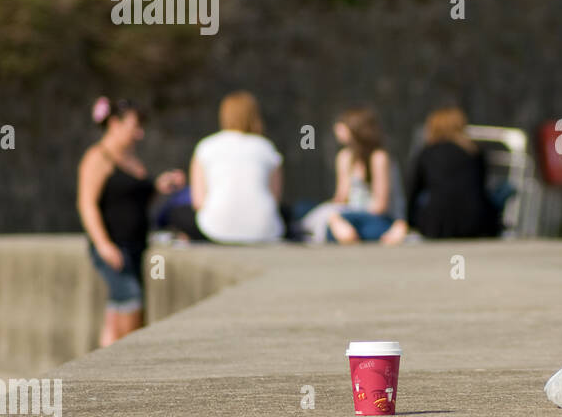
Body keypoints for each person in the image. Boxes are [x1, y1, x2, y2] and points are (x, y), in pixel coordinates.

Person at [77, 97, 186, 348]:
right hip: (114, 246)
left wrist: (160, 186)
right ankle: (129, 363)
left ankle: (104, 368)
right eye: (135, 126)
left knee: (118, 306)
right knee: (130, 301)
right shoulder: (98, 157)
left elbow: (136, 199)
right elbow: (86, 203)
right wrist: (104, 245)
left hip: (135, 246)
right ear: (115, 123)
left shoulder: (131, 159)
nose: (140, 133)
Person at [168, 91, 285, 243]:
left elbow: (198, 202)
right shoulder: (267, 147)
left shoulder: (206, 146)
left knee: (177, 213)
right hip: (265, 231)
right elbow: (274, 199)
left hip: (215, 231)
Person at [303, 106, 409, 245]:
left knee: (352, 225)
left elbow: (380, 205)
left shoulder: (378, 157)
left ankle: (349, 231)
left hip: (376, 217)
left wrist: (343, 217)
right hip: (349, 214)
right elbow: (342, 197)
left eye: (343, 124)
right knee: (304, 208)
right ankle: (344, 230)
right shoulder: (344, 157)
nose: (337, 128)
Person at [407, 107, 500, 239]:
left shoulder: (427, 153)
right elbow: (482, 187)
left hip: (437, 223)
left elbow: (414, 190)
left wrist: (409, 221)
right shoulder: (474, 152)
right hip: (476, 221)